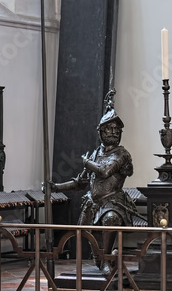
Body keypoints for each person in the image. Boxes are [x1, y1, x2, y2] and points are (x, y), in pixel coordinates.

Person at [51, 90, 142, 275]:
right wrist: (56, 187)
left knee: (110, 219)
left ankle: (109, 258)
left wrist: (86, 162)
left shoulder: (121, 154)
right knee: (89, 236)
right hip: (93, 202)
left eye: (117, 130)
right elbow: (80, 183)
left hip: (112, 200)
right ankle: (103, 260)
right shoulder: (95, 154)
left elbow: (105, 171)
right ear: (101, 131)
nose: (114, 133)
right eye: (109, 129)